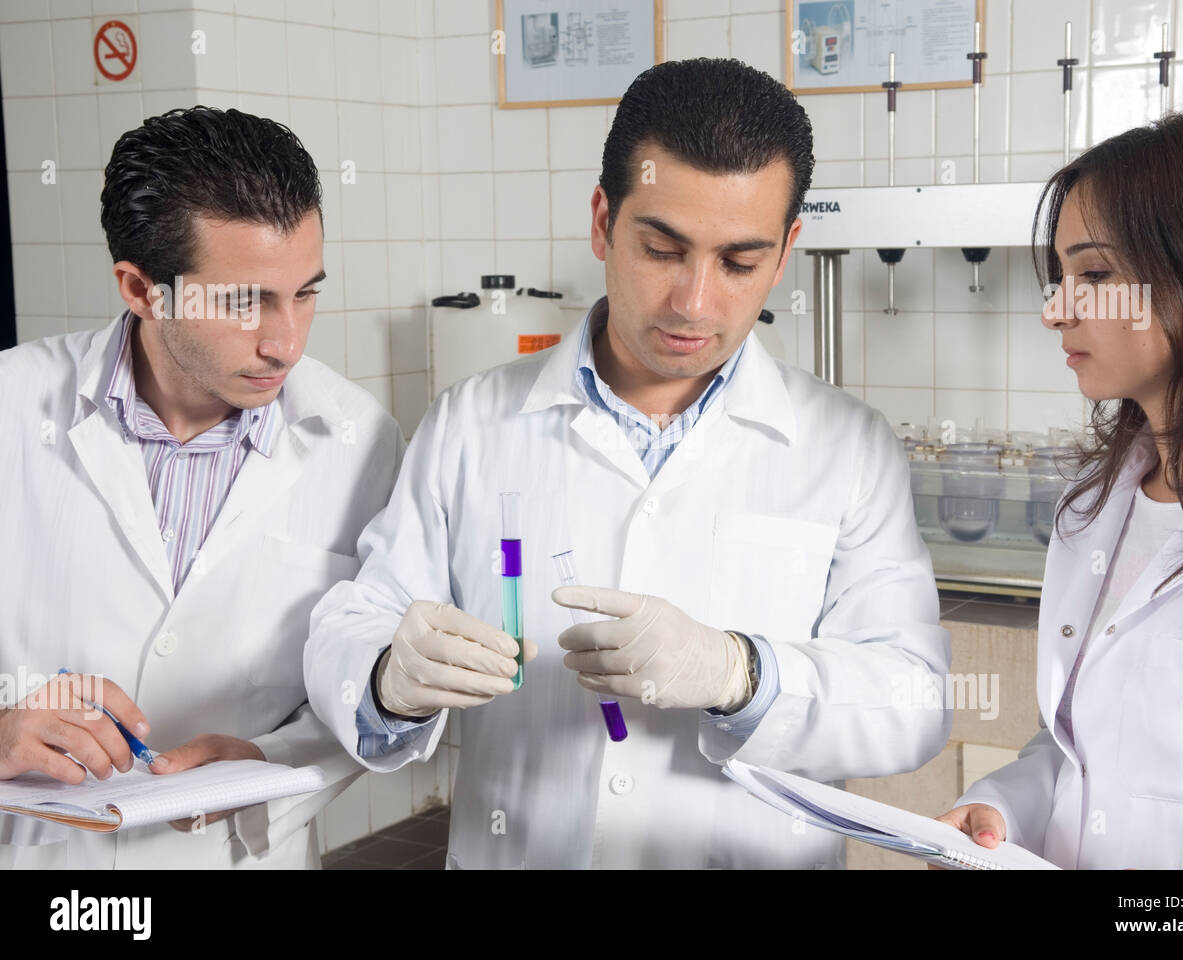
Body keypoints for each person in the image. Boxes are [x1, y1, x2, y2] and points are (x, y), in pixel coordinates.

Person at [305, 57, 950, 869]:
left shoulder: (847, 448)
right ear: (604, 219)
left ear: (786, 253)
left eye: (739, 263)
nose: (694, 301)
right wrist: (385, 678)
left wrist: (739, 671)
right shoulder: (473, 422)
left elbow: (914, 699)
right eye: (662, 248)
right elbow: (357, 616)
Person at [0, 107, 404, 868]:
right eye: (244, 301)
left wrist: (267, 753)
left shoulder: (358, 440)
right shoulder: (11, 409)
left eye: (305, 293)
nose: (286, 342)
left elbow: (369, 686)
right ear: (141, 288)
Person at [938, 111, 1183, 869]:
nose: (1057, 310)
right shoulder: (1093, 508)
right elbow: (1085, 746)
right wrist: (1004, 808)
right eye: (1062, 279)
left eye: (1095, 275)